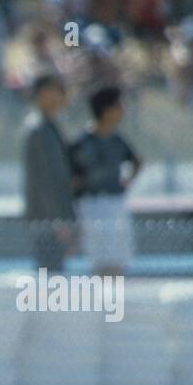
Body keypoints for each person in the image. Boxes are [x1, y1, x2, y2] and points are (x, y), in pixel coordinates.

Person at [69, 85, 142, 276]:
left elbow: (137, 161)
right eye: (118, 105)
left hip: (115, 202)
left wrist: (126, 182)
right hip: (92, 204)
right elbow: (72, 177)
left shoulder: (117, 139)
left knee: (119, 257)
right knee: (100, 258)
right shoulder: (83, 142)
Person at [21, 71, 77, 271]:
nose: (63, 95)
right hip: (47, 222)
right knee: (50, 281)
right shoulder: (38, 129)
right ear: (43, 93)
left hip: (52, 220)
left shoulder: (49, 126)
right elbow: (45, 180)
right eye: (57, 89)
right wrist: (58, 221)